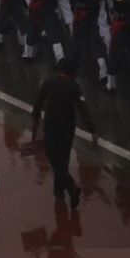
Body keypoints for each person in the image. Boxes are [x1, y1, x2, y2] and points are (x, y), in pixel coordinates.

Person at [30, 57, 96, 208]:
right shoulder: (75, 87)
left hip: (52, 125)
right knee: (63, 157)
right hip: (68, 126)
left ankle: (70, 187)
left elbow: (39, 101)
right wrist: (92, 129)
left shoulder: (49, 81)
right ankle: (58, 190)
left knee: (53, 156)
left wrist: (35, 118)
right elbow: (82, 108)